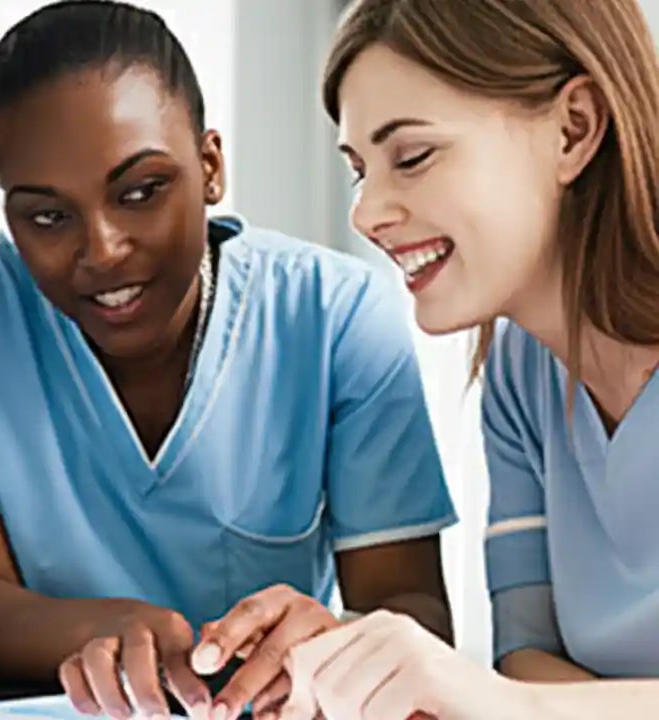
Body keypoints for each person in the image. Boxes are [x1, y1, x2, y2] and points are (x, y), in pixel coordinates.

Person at [0, 2, 457, 718]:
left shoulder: (335, 312)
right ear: (5, 210)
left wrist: (332, 638)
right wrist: (121, 631)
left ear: (210, 166)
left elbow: (412, 612)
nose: (101, 249)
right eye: (46, 216)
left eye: (140, 192)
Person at [274, 0, 659, 717]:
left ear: (574, 130)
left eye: (412, 157)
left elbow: (517, 700)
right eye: (361, 169)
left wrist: (500, 702)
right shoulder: (519, 374)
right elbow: (529, 662)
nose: (365, 212)